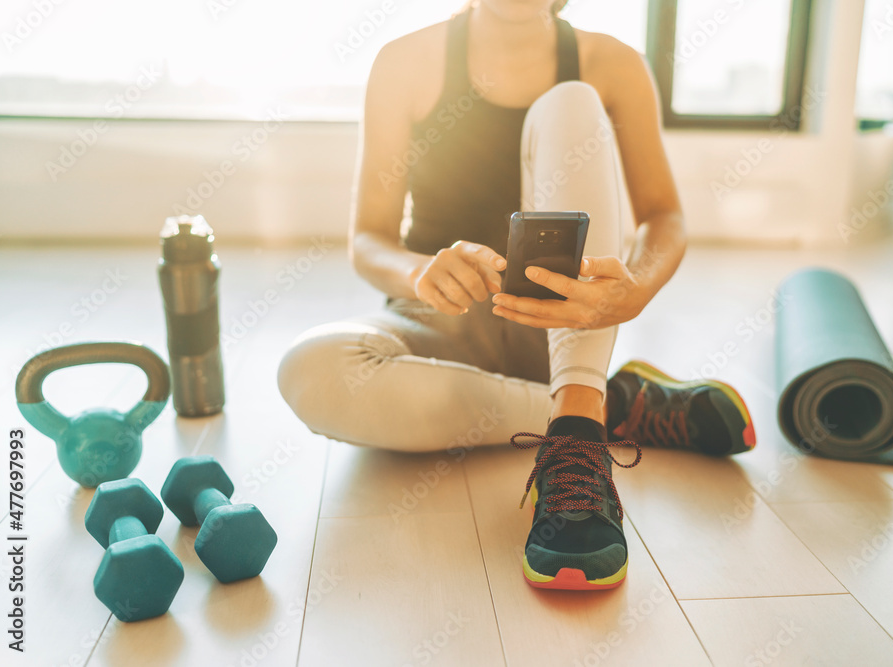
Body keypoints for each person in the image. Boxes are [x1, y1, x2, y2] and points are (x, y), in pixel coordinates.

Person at [278, 0, 755, 591]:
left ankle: (579, 413)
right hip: (442, 330)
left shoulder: (613, 65)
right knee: (308, 369)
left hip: (563, 337)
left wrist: (637, 290)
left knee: (571, 101)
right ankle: (604, 412)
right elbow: (367, 241)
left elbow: (664, 218)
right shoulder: (404, 62)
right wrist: (421, 271)